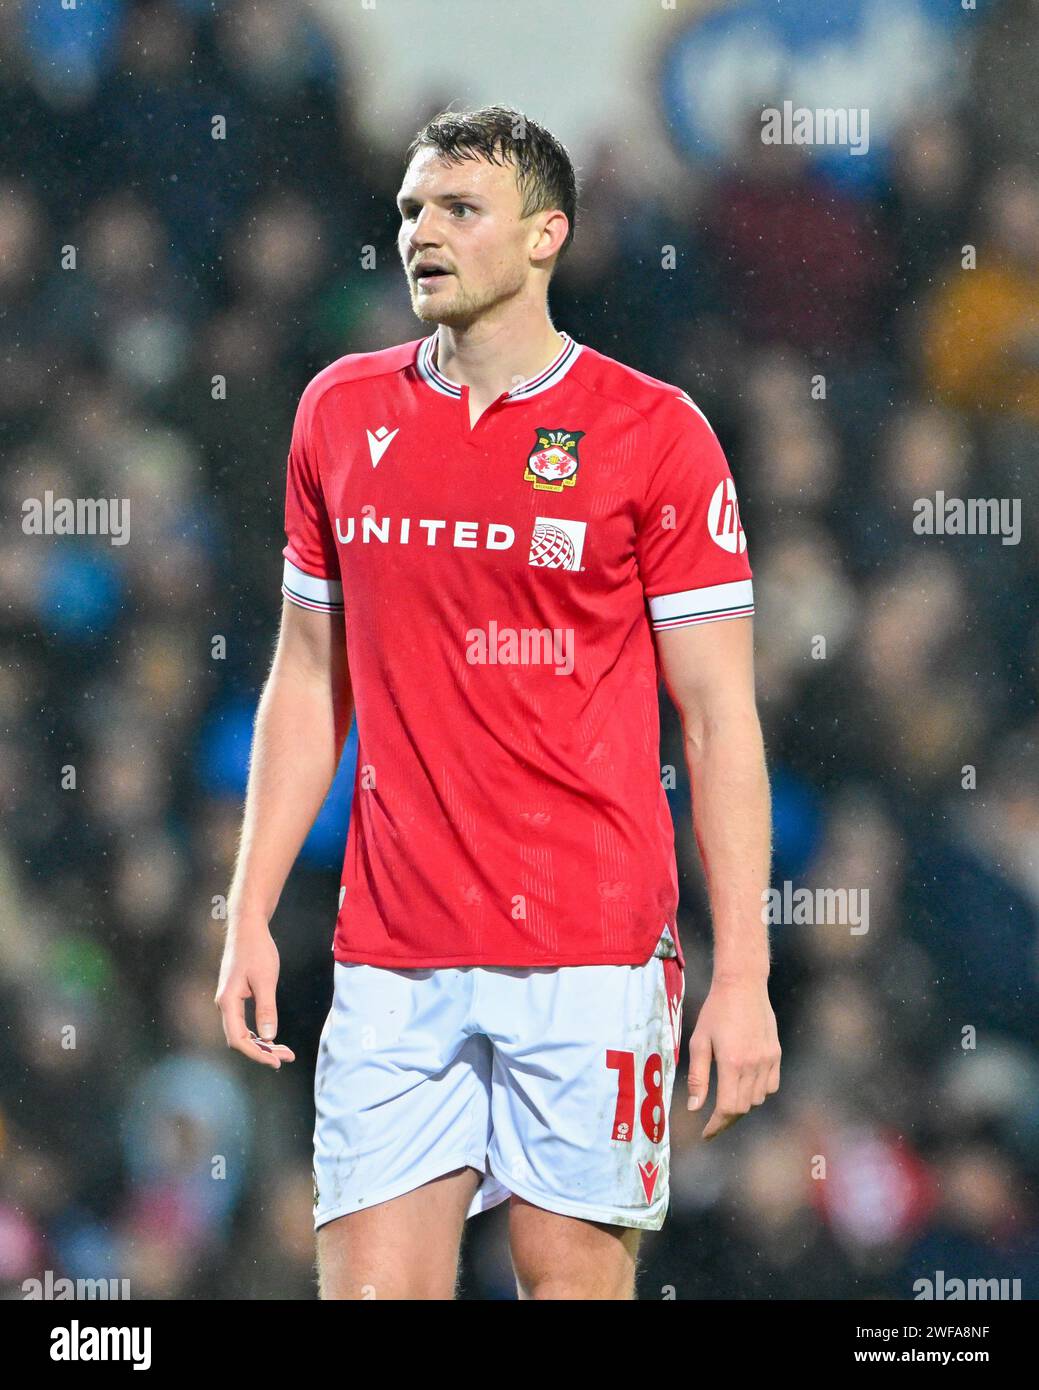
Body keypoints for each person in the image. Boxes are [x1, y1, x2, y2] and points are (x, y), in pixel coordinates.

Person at [215, 105, 780, 1301]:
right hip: (391, 956)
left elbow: (721, 721)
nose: (423, 231)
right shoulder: (338, 413)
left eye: (459, 209)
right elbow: (312, 675)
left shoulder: (655, 435)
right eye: (412, 208)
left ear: (543, 237)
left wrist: (744, 975)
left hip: (591, 952)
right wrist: (248, 908)